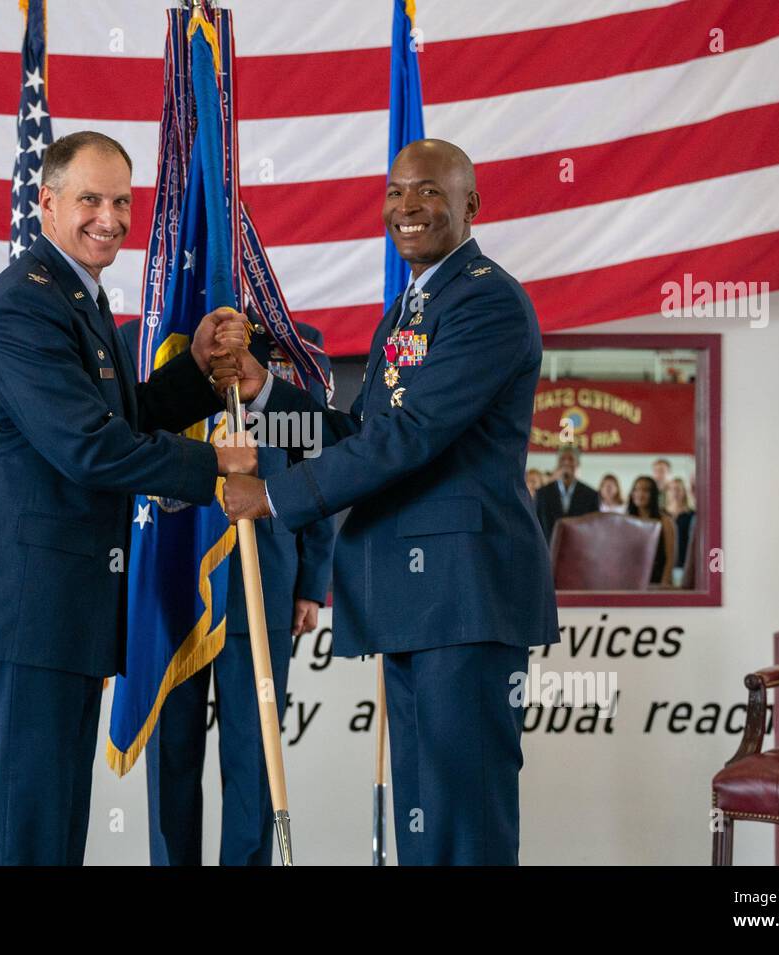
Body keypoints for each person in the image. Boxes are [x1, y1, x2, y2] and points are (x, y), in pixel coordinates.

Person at [220, 138, 559, 865]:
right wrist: (266, 392)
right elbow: (363, 432)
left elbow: (411, 436)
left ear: (471, 204)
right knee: (426, 819)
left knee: (462, 820)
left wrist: (273, 497)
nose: (408, 206)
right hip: (417, 599)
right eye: (397, 191)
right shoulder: (410, 308)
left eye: (430, 190)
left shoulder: (487, 302)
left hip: (465, 596)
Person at [0, 131, 255, 866]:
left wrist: (198, 370)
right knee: (23, 833)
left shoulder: (74, 294)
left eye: (121, 201)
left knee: (51, 831)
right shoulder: (24, 308)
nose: (108, 219)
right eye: (89, 200)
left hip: (60, 609)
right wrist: (216, 465)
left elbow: (121, 417)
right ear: (46, 202)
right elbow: (89, 446)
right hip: (28, 608)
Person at [119, 317, 336, 866]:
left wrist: (311, 583)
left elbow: (317, 463)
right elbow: (119, 453)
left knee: (253, 755)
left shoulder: (296, 347)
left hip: (260, 576)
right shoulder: (141, 335)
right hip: (168, 577)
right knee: (171, 756)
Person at [534, 445, 599, 542]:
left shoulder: (591, 495)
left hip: (579, 547)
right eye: (563, 459)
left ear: (577, 464)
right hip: (549, 548)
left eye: (571, 459)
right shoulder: (542, 494)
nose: (566, 462)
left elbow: (594, 528)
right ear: (558, 463)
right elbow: (537, 526)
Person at [626, 475, 675, 586]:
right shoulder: (626, 520)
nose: (640, 494)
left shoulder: (665, 521)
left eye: (645, 490)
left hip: (657, 580)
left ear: (653, 494)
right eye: (636, 490)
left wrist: (665, 582)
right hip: (631, 580)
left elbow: (670, 558)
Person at [663, 476, 695, 583]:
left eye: (678, 489)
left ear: (684, 492)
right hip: (664, 565)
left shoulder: (692, 515)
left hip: (684, 564)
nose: (675, 493)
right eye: (672, 489)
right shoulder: (662, 514)